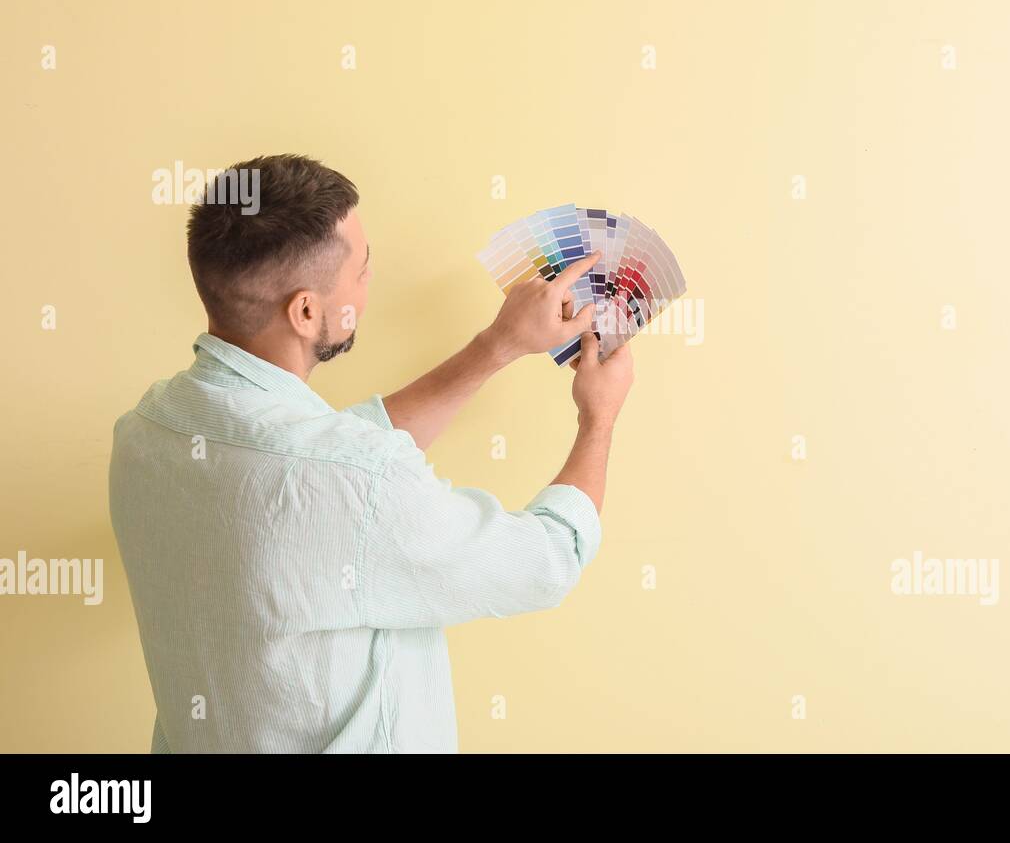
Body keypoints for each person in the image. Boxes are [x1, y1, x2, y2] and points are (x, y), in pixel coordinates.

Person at [108, 154, 633, 752]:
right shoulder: (350, 480)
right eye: (363, 268)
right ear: (306, 311)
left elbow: (324, 460)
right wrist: (600, 418)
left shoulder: (147, 430)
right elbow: (546, 561)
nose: (370, 281)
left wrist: (497, 347)